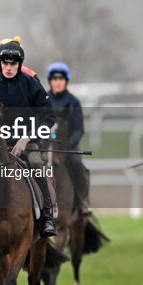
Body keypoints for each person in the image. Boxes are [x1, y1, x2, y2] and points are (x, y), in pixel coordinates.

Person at [0, 39, 57, 237]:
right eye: (5, 63)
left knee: (36, 162)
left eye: (13, 64)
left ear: (19, 64)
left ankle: (46, 217)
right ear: (0, 63)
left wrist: (26, 138)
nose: (9, 68)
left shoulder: (31, 84)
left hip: (26, 142)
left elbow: (48, 116)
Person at [46, 61, 91, 215]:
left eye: (61, 79)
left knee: (77, 163)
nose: (57, 83)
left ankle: (81, 200)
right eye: (54, 79)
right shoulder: (42, 101)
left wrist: (70, 144)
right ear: (50, 81)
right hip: (46, 147)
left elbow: (79, 129)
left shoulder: (74, 102)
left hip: (68, 148)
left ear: (66, 81)